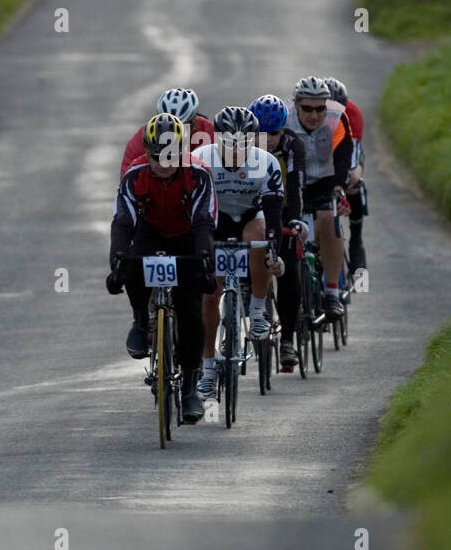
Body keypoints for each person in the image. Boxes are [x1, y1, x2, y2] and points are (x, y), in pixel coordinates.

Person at [107, 113, 217, 424]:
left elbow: (204, 223)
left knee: (190, 309)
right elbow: (123, 222)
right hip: (151, 232)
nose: (164, 163)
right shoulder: (135, 174)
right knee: (132, 264)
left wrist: (205, 261)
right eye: (157, 156)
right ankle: (141, 320)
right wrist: (116, 260)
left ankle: (191, 388)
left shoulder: (199, 174)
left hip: (188, 236)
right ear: (147, 154)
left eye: (171, 155)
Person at [191, 106, 284, 399]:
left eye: (243, 144)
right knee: (209, 297)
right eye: (229, 144)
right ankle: (207, 368)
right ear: (217, 139)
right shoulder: (200, 161)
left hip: (248, 218)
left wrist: (274, 252)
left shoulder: (266, 163)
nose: (236, 151)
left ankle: (257, 311)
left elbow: (274, 217)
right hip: (214, 222)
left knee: (258, 238)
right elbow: (194, 214)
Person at [248, 93, 308, 373]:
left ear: (283, 129)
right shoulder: (242, 144)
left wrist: (294, 220)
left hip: (281, 210)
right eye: (261, 133)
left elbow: (295, 186)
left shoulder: (293, 145)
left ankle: (287, 340)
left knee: (289, 267)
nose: (267, 139)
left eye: (273, 133)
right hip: (250, 211)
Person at [285, 76, 352, 318]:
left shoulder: (337, 117)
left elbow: (344, 155)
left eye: (320, 108)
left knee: (329, 218)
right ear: (295, 105)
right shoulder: (284, 119)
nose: (314, 115)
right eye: (307, 108)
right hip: (294, 182)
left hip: (324, 181)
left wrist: (339, 187)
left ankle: (332, 290)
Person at [325, 77, 367, 281]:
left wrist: (346, 179)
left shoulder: (353, 114)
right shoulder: (309, 115)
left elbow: (353, 155)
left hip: (345, 153)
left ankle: (356, 237)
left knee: (353, 181)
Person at [120, 87, 215, 177]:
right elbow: (128, 180)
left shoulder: (208, 131)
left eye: (183, 127)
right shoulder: (141, 139)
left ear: (194, 123)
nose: (175, 134)